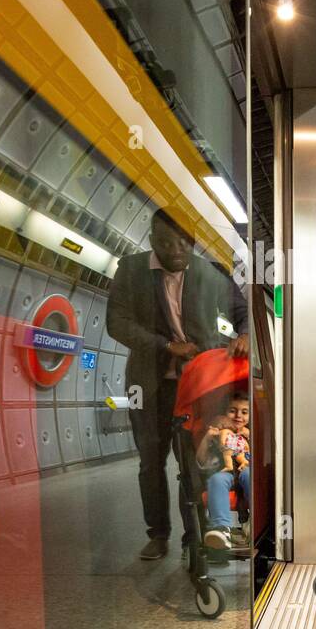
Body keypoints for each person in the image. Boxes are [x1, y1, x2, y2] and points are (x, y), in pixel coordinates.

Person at [106, 208, 248, 560]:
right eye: (167, 243)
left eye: (184, 243)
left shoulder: (209, 272)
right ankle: (158, 534)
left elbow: (242, 312)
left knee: (197, 461)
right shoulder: (131, 270)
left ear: (193, 242)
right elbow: (117, 323)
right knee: (151, 462)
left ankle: (195, 535)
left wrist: (243, 336)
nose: (177, 250)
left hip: (199, 384)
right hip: (151, 385)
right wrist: (166, 346)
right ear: (153, 240)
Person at [198, 393, 252, 550]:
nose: (238, 416)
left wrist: (251, 436)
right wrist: (207, 438)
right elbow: (201, 460)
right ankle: (222, 529)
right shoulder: (218, 432)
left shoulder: (251, 432)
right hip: (225, 471)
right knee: (216, 480)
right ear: (224, 413)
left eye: (244, 412)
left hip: (246, 469)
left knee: (250, 476)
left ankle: (255, 521)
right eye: (232, 411)